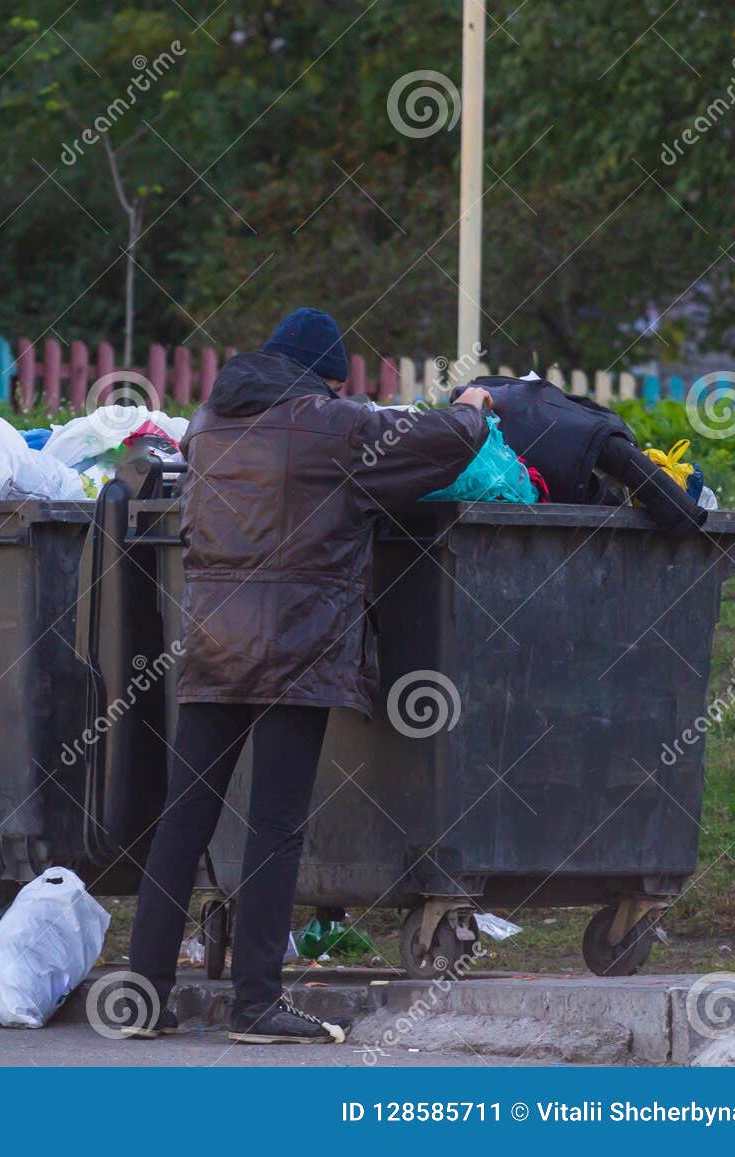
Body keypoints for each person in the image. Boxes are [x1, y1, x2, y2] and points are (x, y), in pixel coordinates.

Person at [124, 308, 493, 1044]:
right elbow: (439, 446)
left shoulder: (207, 424)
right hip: (296, 648)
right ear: (325, 377)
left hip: (212, 644)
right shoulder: (336, 424)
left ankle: (143, 997)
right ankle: (256, 1003)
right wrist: (471, 408)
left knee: (184, 819)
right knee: (276, 824)